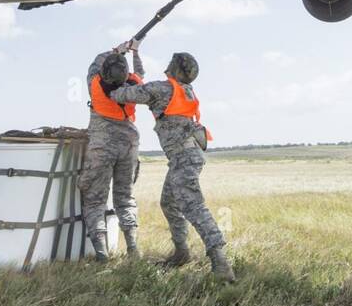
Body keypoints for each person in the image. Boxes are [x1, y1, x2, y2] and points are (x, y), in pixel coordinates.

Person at [110, 51, 235, 282]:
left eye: (171, 63)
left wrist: (112, 80)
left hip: (183, 158)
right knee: (169, 203)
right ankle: (181, 252)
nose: (167, 66)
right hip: (187, 156)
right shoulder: (186, 91)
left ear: (176, 70)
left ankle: (221, 263)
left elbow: (122, 95)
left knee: (194, 206)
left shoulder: (163, 89)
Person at [79, 43, 144, 262]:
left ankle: (101, 253)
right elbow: (140, 74)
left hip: (102, 146)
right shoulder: (134, 87)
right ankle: (133, 248)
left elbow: (96, 61)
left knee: (95, 199)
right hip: (128, 144)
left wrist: (119, 50)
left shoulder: (95, 84)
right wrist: (134, 53)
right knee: (125, 198)